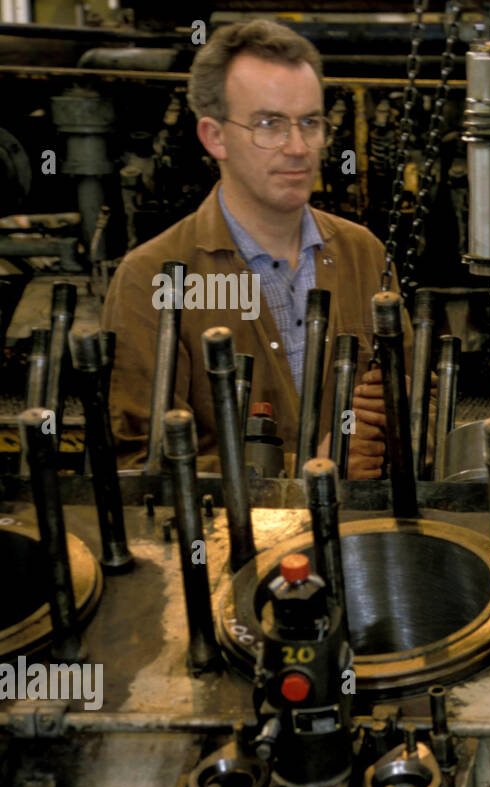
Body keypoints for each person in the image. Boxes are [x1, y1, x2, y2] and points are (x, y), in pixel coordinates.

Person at [102, 19, 400, 478]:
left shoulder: (365, 254)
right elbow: (141, 465)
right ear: (214, 136)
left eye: (310, 123)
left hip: (362, 533)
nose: (298, 147)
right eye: (269, 124)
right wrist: (303, 470)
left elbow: (418, 394)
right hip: (225, 542)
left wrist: (389, 424)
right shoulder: (154, 278)